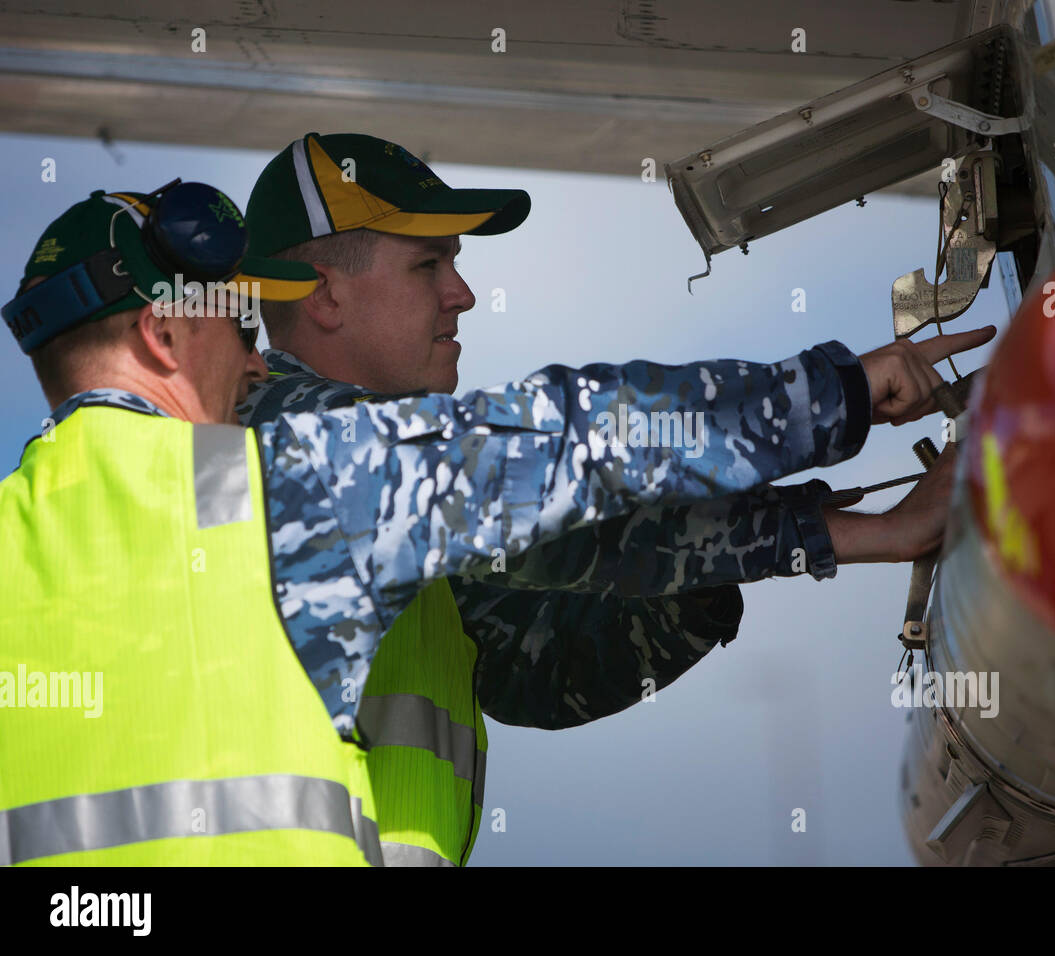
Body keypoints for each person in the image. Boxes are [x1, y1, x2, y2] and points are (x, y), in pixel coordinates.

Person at [0, 180, 964, 866]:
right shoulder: (274, 487)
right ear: (164, 335)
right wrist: (833, 395)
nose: (254, 363)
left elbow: (537, 653)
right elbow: (571, 443)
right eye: (235, 329)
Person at [238, 132, 993, 865]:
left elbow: (552, 659)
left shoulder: (406, 512)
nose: (461, 294)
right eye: (427, 264)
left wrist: (854, 531)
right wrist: (832, 397)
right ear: (325, 294)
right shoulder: (283, 441)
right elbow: (571, 448)